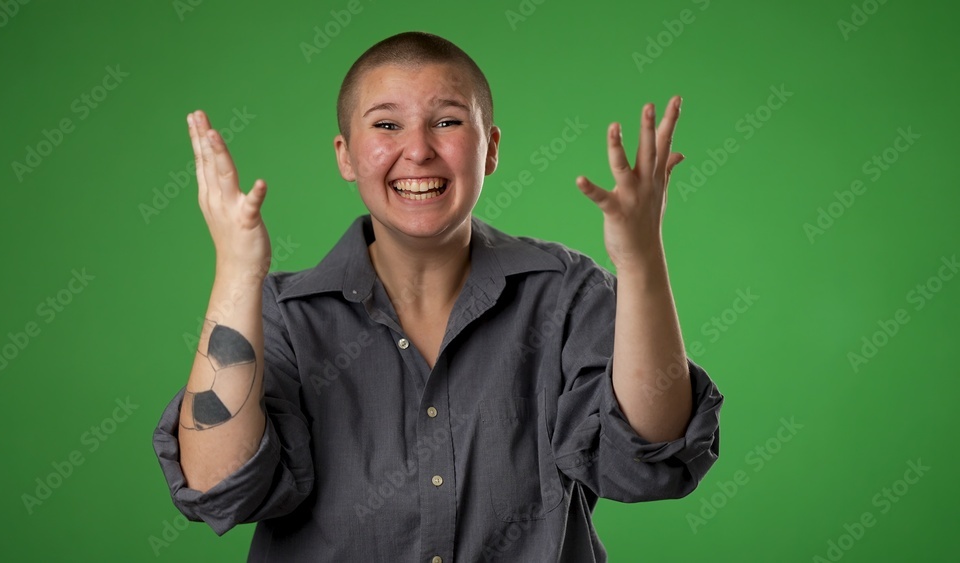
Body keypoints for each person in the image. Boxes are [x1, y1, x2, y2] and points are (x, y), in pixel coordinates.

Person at [153, 31, 723, 562]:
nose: (419, 150)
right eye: (386, 126)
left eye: (447, 121)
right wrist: (236, 269)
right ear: (346, 155)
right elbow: (219, 485)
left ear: (491, 148)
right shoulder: (282, 316)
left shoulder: (566, 293)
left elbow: (651, 455)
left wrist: (641, 260)